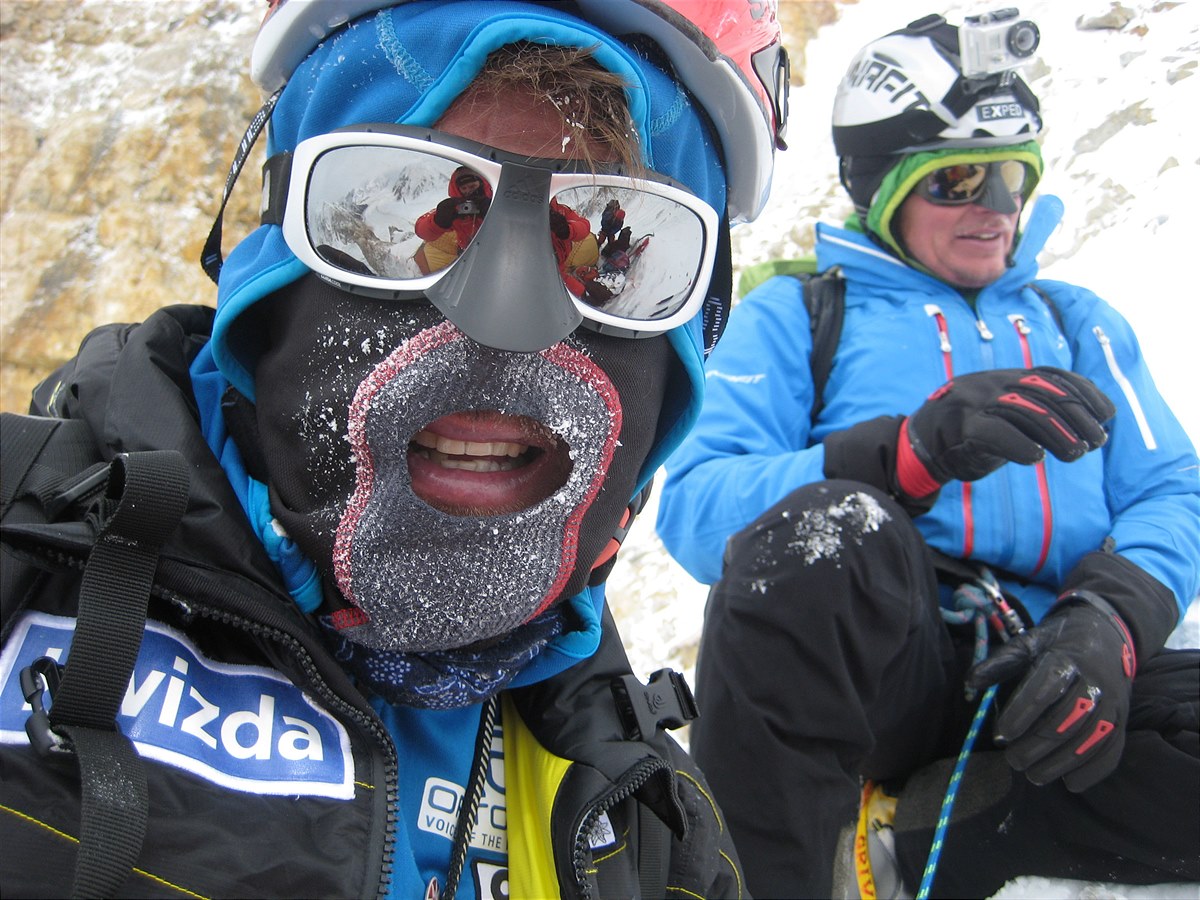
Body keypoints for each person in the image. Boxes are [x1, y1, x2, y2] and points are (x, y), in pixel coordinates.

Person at [0, 1, 792, 897]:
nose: (507, 322)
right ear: (266, 264)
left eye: (611, 250)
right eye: (403, 205)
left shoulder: (645, 824)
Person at [656, 11, 1200, 898]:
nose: (995, 209)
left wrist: (1111, 623)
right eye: (958, 178)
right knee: (828, 529)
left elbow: (1173, 488)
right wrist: (906, 455)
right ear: (885, 186)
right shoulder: (801, 315)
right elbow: (698, 508)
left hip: (1057, 670)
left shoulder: (1078, 322)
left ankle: (949, 824)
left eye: (1012, 180)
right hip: (882, 674)